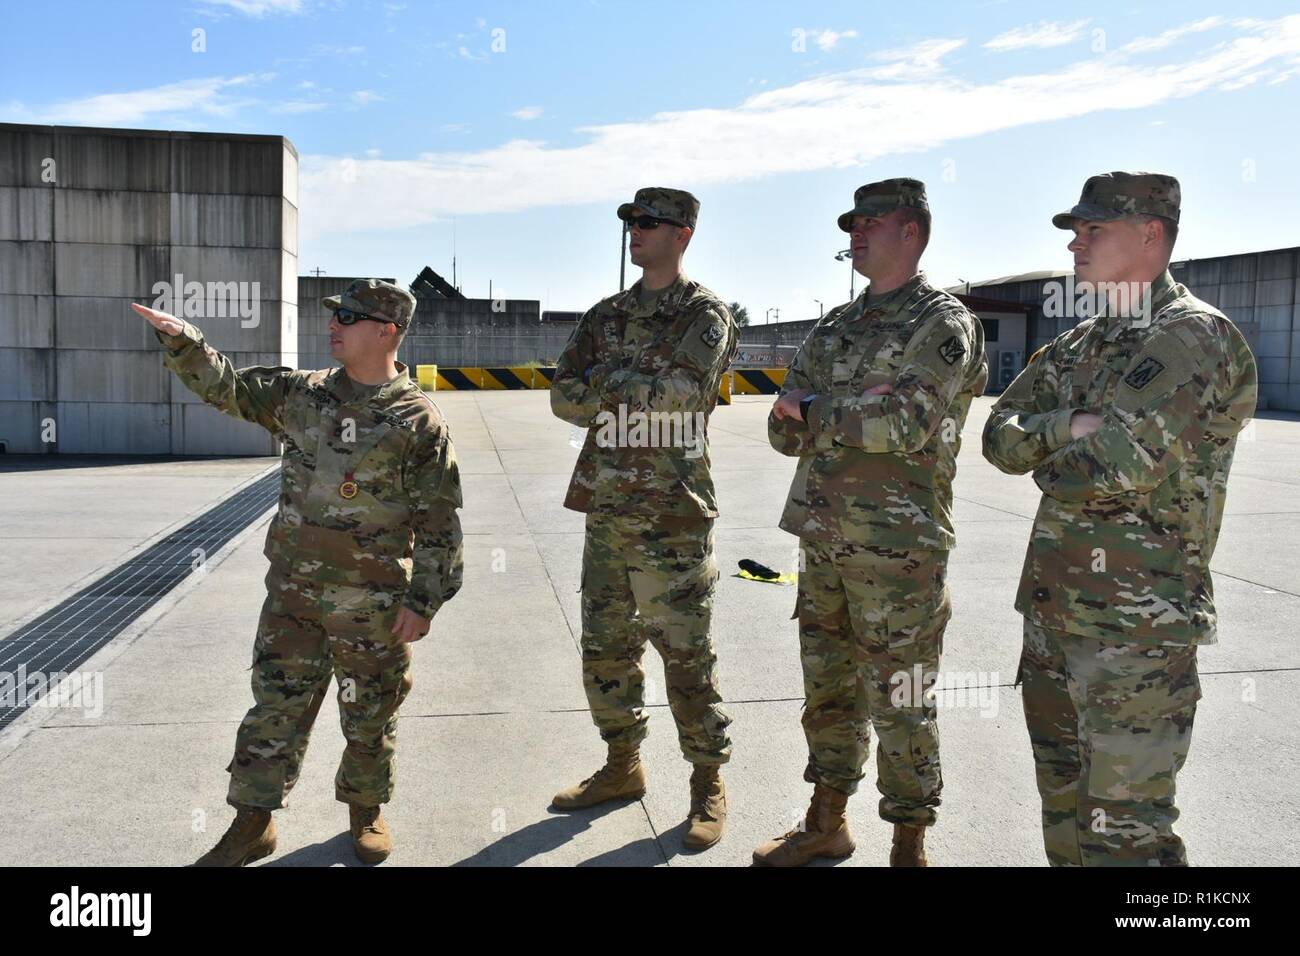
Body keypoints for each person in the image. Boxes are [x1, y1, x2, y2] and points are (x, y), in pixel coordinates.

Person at [132, 277, 463, 866]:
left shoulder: (418, 421)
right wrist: (185, 341)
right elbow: (230, 390)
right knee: (274, 708)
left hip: (373, 604)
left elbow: (439, 520)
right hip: (293, 596)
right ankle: (252, 823)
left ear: (386, 330)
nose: (333, 325)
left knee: (369, 712)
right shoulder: (300, 393)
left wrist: (424, 601)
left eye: (350, 317)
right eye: (334, 314)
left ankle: (365, 812)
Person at [982, 171, 1258, 865]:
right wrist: (1070, 425)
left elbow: (1117, 465)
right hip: (1054, 614)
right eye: (1076, 231)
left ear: (1150, 234)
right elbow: (996, 438)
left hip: (1136, 630)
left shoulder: (1192, 337)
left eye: (1093, 229)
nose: (1077, 243)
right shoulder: (1078, 344)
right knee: (1066, 810)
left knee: (1127, 833)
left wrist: (1052, 447)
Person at [755, 178, 987, 866]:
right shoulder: (838, 324)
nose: (854, 233)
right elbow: (781, 427)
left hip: (899, 552)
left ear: (911, 231)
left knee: (901, 701)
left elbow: (908, 424)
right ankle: (826, 821)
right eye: (851, 223)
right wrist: (845, 405)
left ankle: (909, 844)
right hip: (824, 538)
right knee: (827, 692)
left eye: (870, 222)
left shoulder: (941, 323)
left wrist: (820, 408)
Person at [548, 187, 738, 849]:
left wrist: (612, 380)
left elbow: (683, 395)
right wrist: (628, 380)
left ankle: (707, 781)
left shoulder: (704, 313)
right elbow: (562, 397)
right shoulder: (608, 314)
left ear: (682, 234)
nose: (636, 230)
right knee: (606, 650)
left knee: (687, 657)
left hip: (673, 515)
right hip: (608, 510)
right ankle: (622, 764)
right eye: (631, 220)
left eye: (649, 222)